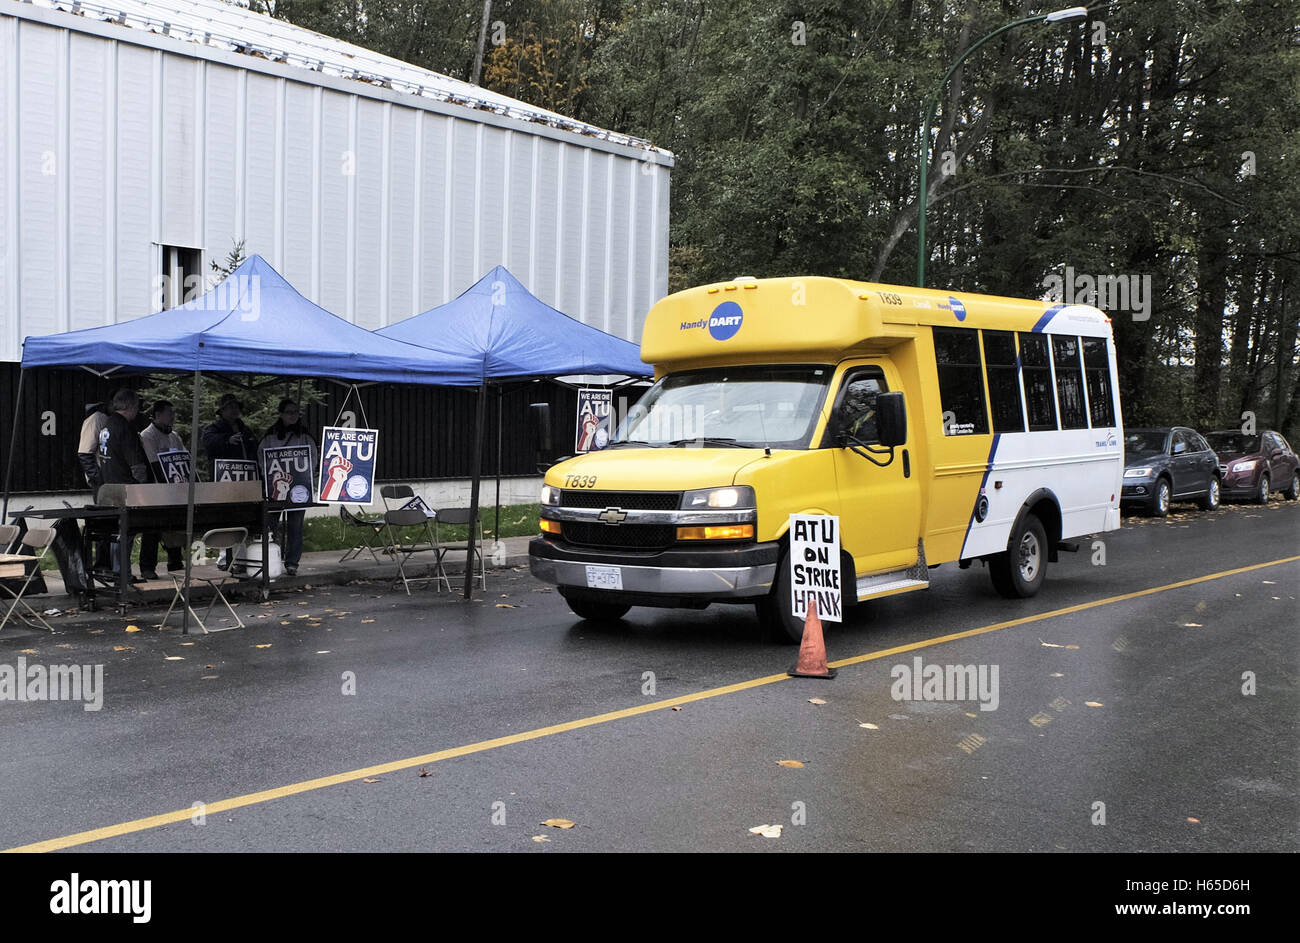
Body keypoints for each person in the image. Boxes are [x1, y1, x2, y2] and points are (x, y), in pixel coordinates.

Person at [95, 388, 148, 582]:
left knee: (114, 532)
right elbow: (137, 465)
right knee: (125, 533)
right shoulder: (126, 429)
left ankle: (117, 571)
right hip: (126, 488)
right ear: (131, 406)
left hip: (108, 486)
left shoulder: (106, 425)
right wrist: (142, 490)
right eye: (137, 406)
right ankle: (122, 573)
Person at [258, 399, 316, 576]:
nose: (293, 415)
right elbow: (262, 459)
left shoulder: (305, 435)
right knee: (271, 526)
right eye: (289, 412)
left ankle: (292, 563)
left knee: (295, 525)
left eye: (296, 412)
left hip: (298, 490)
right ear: (281, 414)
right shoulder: (270, 436)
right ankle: (270, 560)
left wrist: (306, 479)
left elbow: (313, 459)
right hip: (274, 490)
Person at [201, 394, 258, 569]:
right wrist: (227, 441)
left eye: (236, 407)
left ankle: (239, 558)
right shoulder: (214, 429)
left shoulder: (245, 429)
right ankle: (225, 559)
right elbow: (208, 444)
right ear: (222, 410)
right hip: (224, 482)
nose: (234, 410)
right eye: (230, 407)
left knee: (241, 520)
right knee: (226, 520)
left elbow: (253, 449)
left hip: (243, 481)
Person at [138, 401, 186, 581]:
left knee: (175, 526)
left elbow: (183, 457)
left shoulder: (174, 436)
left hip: (175, 488)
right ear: (157, 415)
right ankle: (147, 566)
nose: (172, 417)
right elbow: (153, 463)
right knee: (152, 529)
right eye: (168, 413)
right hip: (155, 487)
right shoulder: (147, 436)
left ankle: (175, 561)